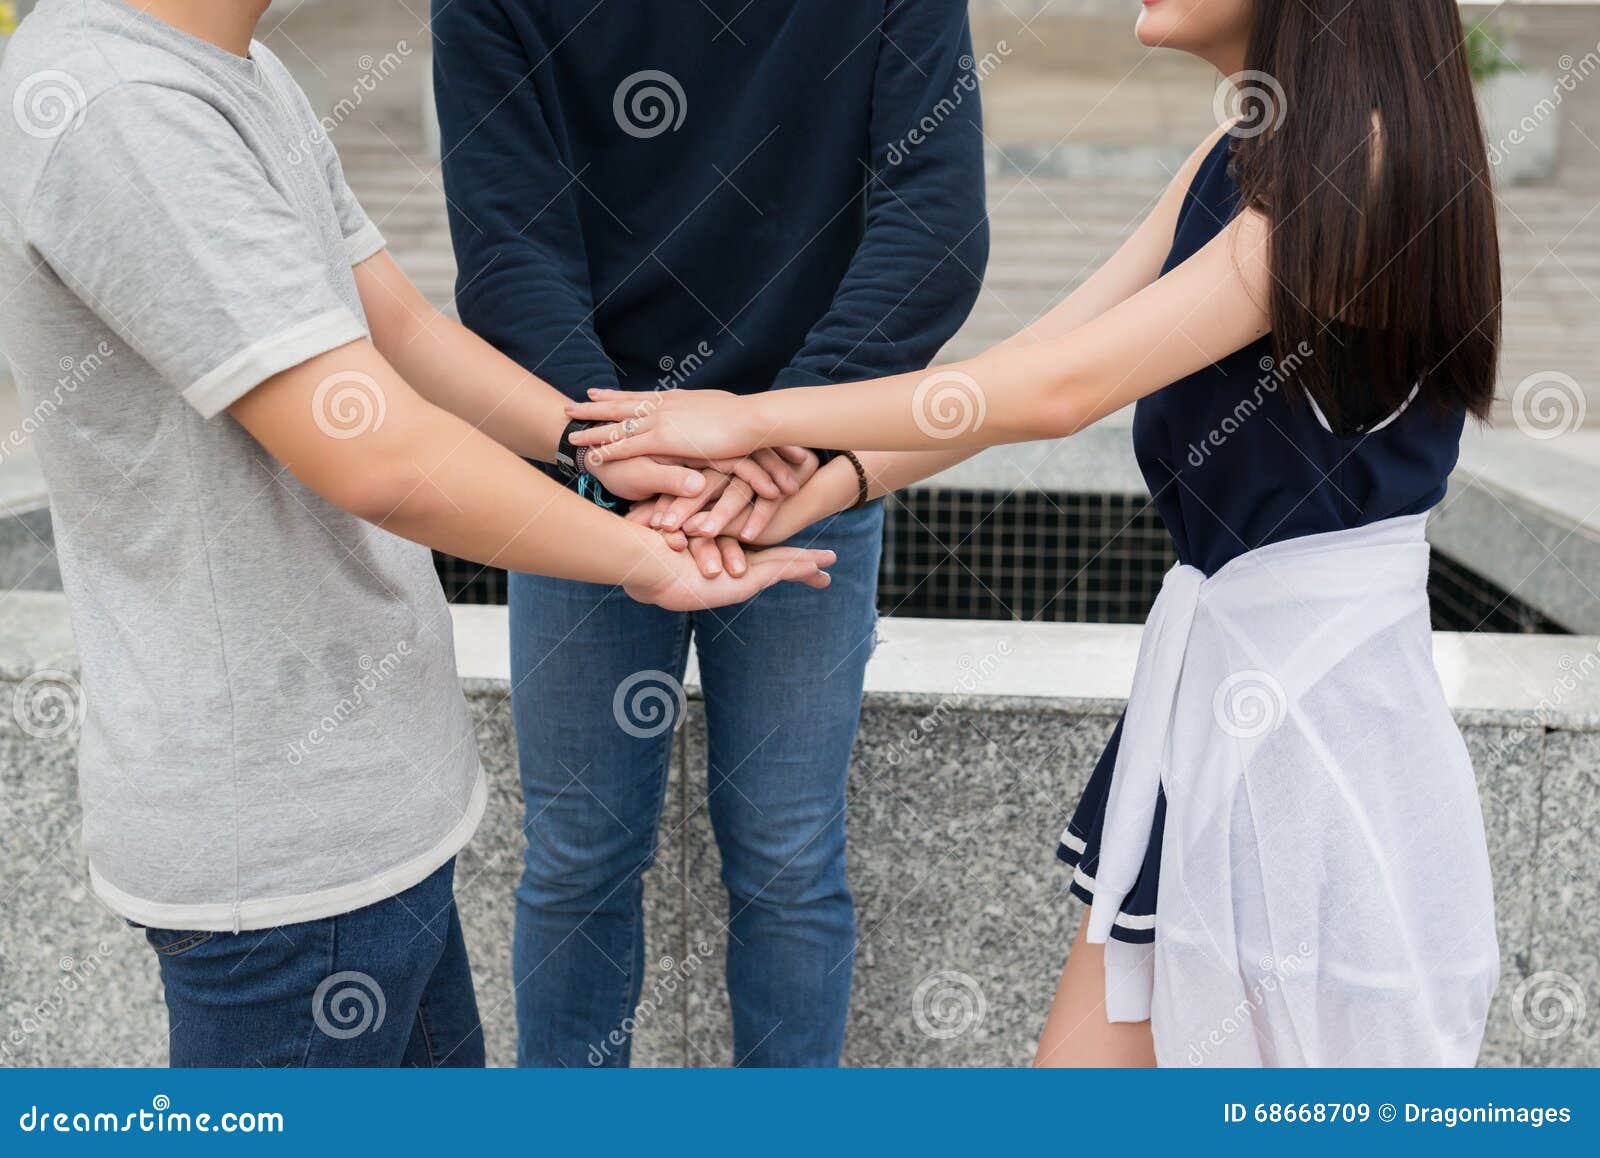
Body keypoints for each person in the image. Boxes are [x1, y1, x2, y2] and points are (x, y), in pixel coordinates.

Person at [566, 0, 1504, 1067]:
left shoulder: (1362, 170)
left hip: (1315, 721)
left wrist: (753, 417)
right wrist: (801, 489)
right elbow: (1025, 367)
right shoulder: (1236, 156)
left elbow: (1058, 392)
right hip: (1221, 687)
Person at [0, 0, 833, 1068]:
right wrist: (643, 557)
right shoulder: (123, 111)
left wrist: (596, 442)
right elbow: (379, 456)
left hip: (376, 826)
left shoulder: (232, 68)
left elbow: (397, 329)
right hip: (285, 855)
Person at [431, 0, 988, 1066]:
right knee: (582, 859)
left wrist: (794, 426)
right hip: (600, 471)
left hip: (799, 474)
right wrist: (612, 443)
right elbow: (508, 240)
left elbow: (935, 220)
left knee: (784, 858)